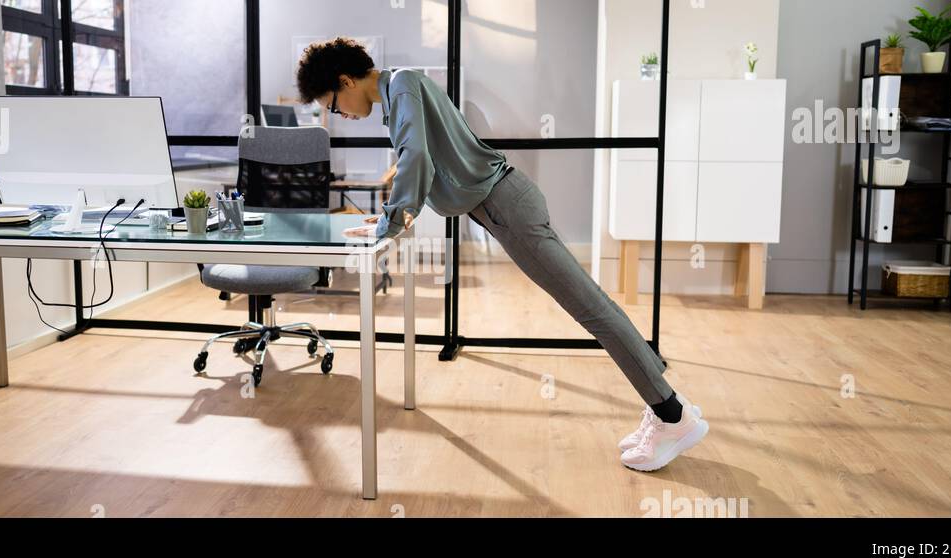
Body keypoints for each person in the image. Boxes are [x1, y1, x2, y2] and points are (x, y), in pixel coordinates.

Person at [296, 37, 707, 472]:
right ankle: (668, 409)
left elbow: (417, 156)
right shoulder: (400, 90)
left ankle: (672, 415)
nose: (338, 114)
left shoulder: (401, 87)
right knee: (593, 306)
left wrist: (390, 224)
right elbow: (417, 154)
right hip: (505, 205)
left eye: (334, 104)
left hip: (508, 207)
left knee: (592, 309)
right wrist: (385, 219)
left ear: (346, 80)